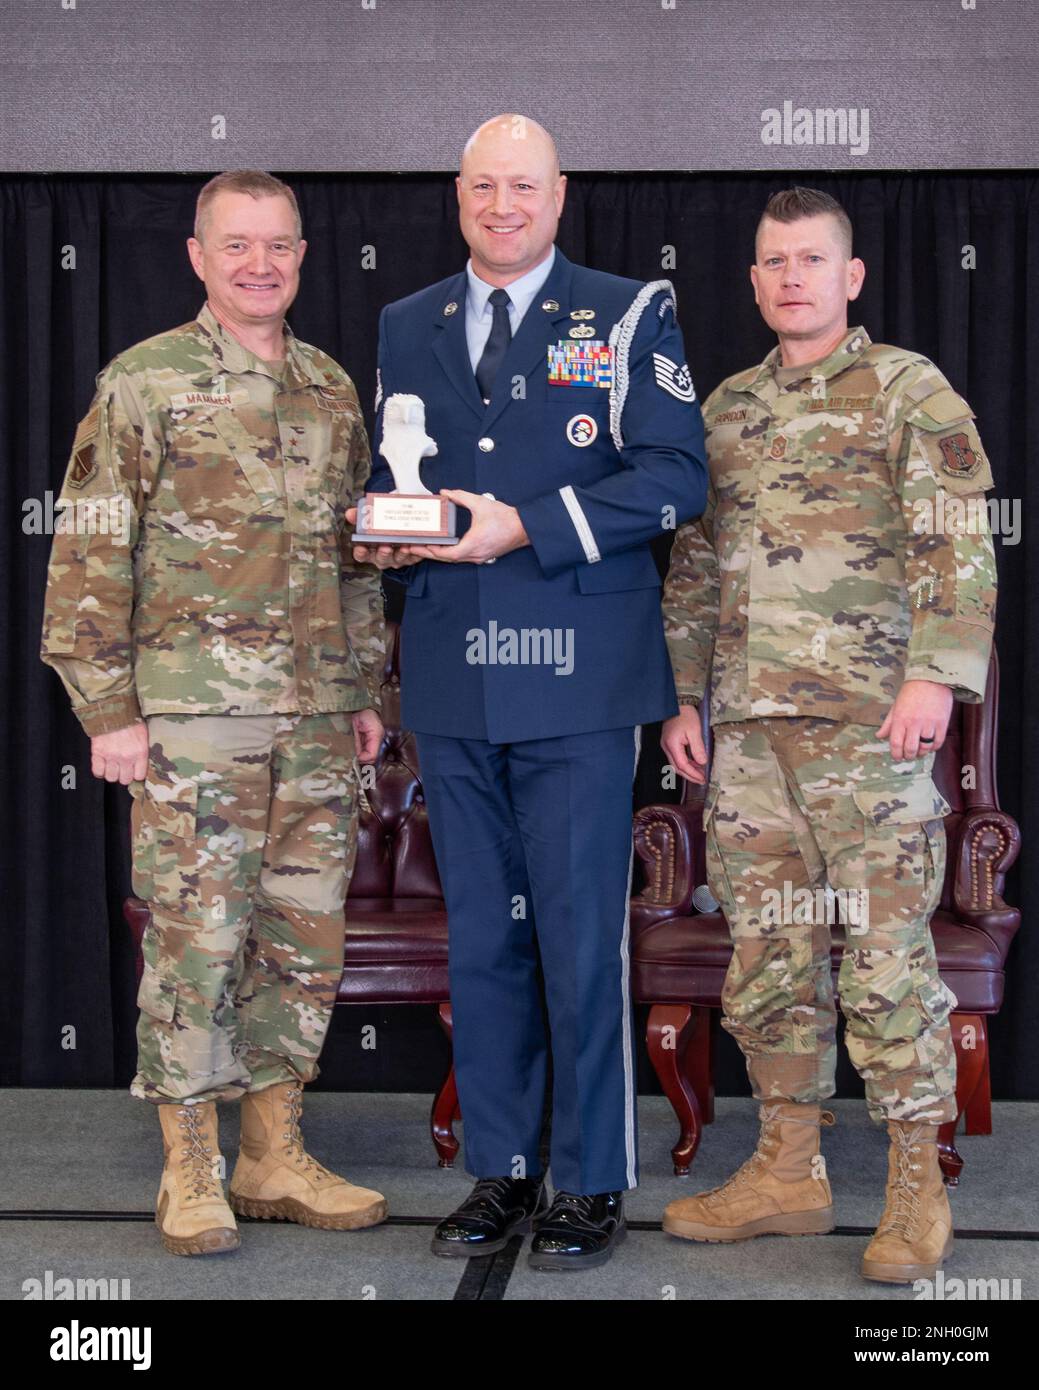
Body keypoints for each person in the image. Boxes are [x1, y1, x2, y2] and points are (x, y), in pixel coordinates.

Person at [353, 114, 707, 1270]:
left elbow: (676, 477)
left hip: (579, 680)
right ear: (457, 195)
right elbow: (394, 478)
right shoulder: (406, 324)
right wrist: (386, 536)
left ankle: (591, 1178)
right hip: (453, 680)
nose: (501, 206)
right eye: (481, 187)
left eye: (524, 186)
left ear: (560, 196)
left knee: (574, 936)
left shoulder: (626, 311)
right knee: (483, 944)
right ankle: (501, 1170)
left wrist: (527, 526)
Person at [41, 170, 388, 1256]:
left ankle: (274, 1151)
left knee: (302, 939)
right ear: (198, 256)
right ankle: (189, 1164)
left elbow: (361, 558)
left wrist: (369, 686)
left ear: (300, 255)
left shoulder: (331, 387)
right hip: (194, 719)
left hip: (320, 717)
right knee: (198, 941)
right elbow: (90, 549)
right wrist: (109, 711)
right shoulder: (145, 382)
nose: (258, 265)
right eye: (235, 246)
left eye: (277, 246)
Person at [659, 186, 997, 1284]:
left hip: (872, 732)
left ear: (850, 277)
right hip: (750, 737)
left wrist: (935, 678)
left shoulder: (908, 389)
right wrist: (680, 696)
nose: (791, 276)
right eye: (773, 261)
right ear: (753, 281)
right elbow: (697, 568)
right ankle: (787, 1171)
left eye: (811, 259)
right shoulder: (724, 410)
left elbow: (957, 536)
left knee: (887, 965)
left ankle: (915, 1186)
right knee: (767, 961)